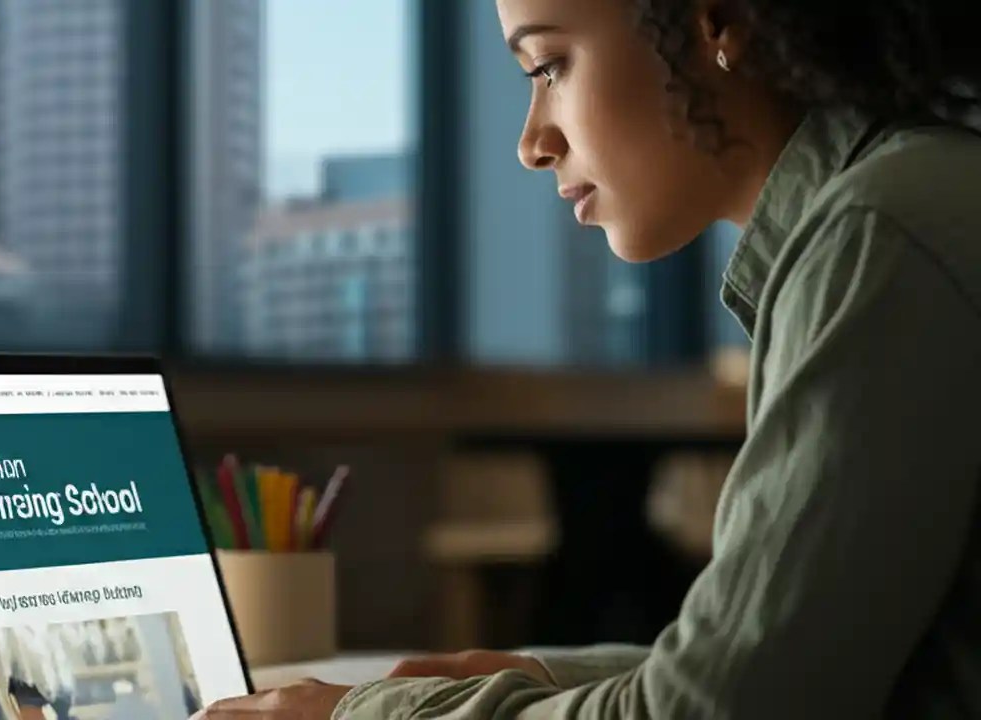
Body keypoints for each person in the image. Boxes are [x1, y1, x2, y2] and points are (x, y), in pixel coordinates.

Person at [195, 0, 981, 717]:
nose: (532, 141)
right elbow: (812, 668)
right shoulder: (911, 197)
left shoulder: (878, 236)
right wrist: (543, 679)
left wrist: (355, 717)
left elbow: (718, 710)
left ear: (716, 22)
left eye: (548, 67)